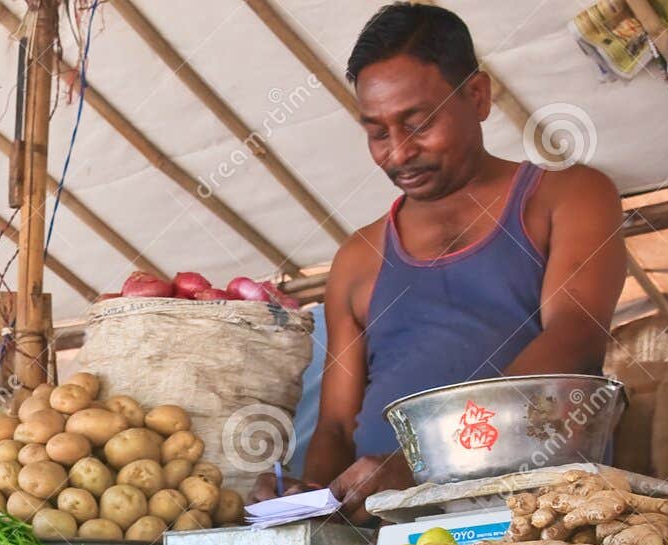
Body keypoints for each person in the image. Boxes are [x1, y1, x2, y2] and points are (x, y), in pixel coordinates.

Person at [263, 3, 626, 518]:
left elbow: (576, 338)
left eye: (419, 123)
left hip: (534, 521)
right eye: (377, 132)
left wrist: (424, 468)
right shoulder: (356, 260)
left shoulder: (570, 197)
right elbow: (338, 426)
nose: (399, 152)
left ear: (477, 96)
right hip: (386, 535)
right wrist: (309, 500)